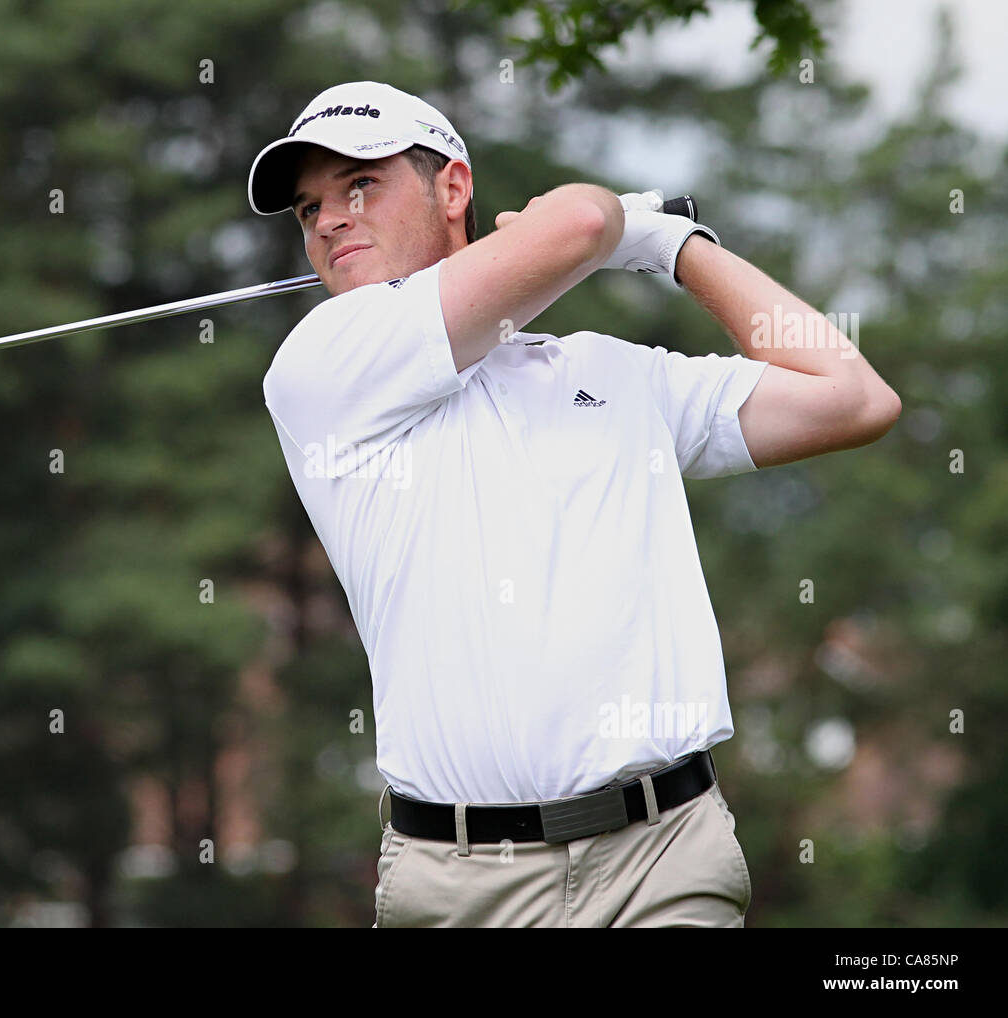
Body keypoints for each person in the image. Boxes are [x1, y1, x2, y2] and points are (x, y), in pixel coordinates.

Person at [247, 81, 901, 927]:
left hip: (662, 860)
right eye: (309, 209)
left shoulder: (612, 373)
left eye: (359, 186)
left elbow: (854, 397)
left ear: (453, 188)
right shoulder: (320, 368)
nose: (330, 219)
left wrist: (674, 246)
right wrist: (614, 228)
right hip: (457, 885)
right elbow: (584, 223)